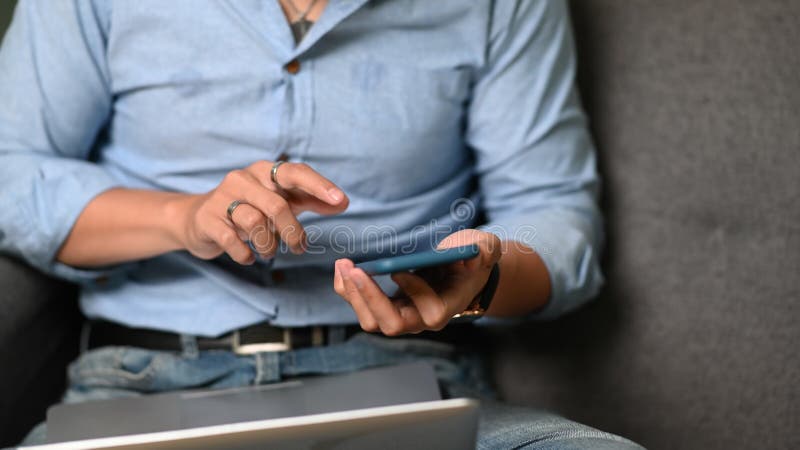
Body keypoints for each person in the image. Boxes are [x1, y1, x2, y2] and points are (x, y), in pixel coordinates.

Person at [0, 0, 642, 448]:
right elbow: (10, 171)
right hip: (143, 387)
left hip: (407, 385)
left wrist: (485, 278)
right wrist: (183, 216)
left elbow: (556, 209)